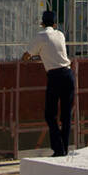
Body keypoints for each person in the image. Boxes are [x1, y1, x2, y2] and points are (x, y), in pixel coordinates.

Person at [22, 10, 75, 157]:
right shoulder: (61, 35)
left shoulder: (41, 36)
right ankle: (64, 148)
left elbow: (27, 55)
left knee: (50, 115)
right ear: (55, 23)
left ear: (42, 23)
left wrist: (26, 59)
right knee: (66, 116)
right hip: (68, 74)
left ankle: (58, 148)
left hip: (55, 76)